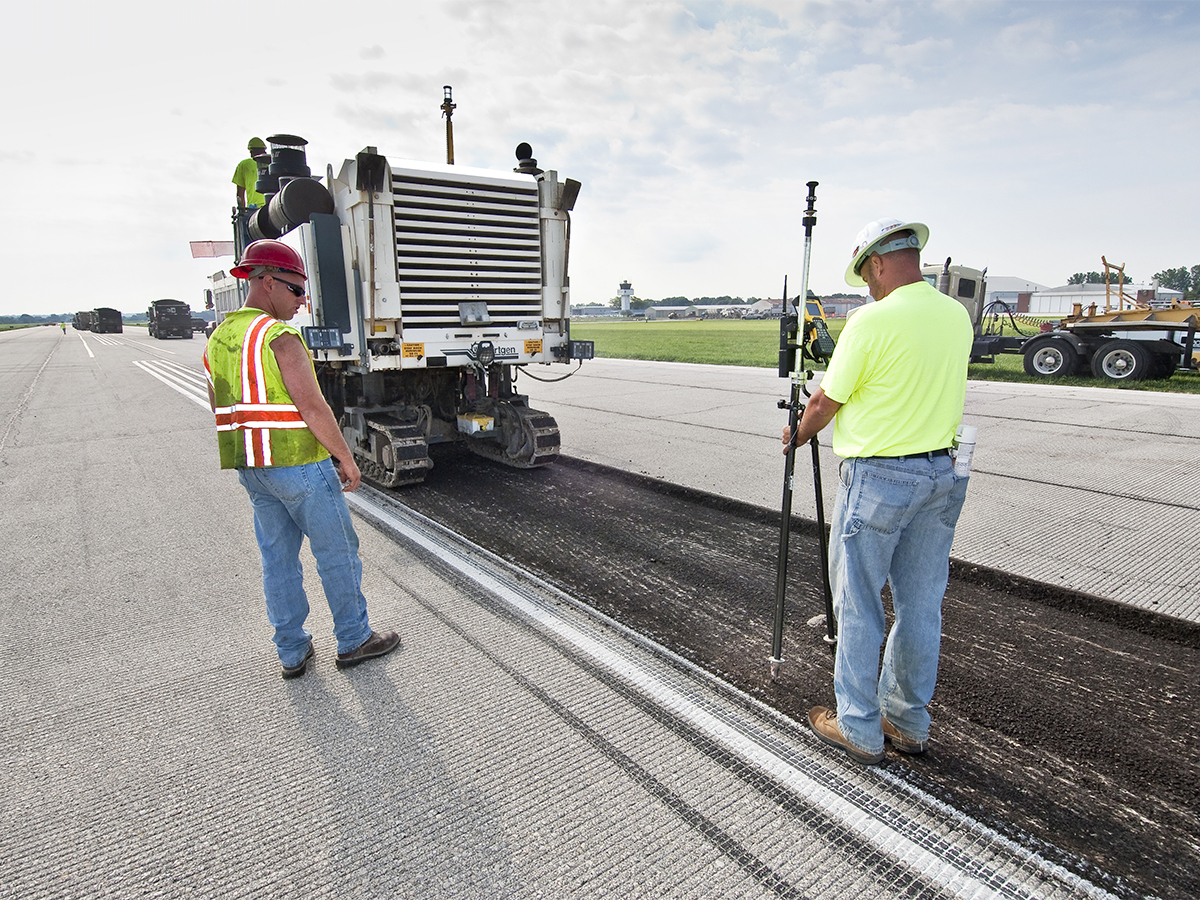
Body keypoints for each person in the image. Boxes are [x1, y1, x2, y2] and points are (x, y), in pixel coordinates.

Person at [781, 218, 972, 764]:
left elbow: (825, 401)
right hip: (942, 474)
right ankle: (907, 721)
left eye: (867, 276)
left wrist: (798, 434)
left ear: (880, 263)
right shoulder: (955, 315)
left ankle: (858, 726)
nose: (869, 286)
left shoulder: (870, 320)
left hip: (880, 479)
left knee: (859, 603)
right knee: (921, 607)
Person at [204, 239, 400, 679]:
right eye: (295, 290)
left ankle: (291, 651)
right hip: (298, 464)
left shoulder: (219, 337)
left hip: (253, 467)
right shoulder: (278, 336)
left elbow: (218, 404)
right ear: (267, 282)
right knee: (337, 553)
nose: (301, 300)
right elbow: (312, 406)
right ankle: (354, 639)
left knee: (278, 560)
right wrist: (345, 458)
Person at [232, 137, 268, 211]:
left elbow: (240, 194)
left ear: (251, 152)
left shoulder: (243, 165)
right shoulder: (272, 164)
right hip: (271, 207)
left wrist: (242, 211)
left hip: (253, 210)